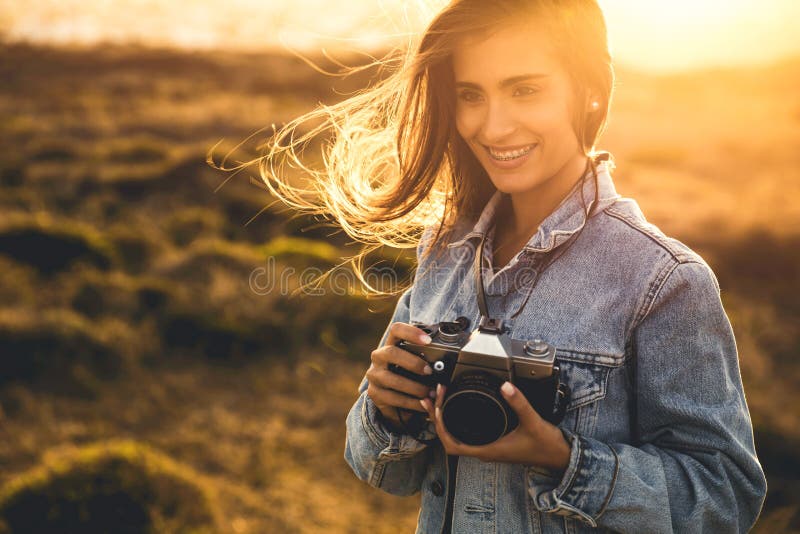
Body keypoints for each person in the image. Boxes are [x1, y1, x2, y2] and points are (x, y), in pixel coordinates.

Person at [257, 1, 767, 531]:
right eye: (470, 95)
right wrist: (387, 412)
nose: (494, 127)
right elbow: (386, 474)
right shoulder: (444, 250)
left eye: (524, 90)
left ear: (590, 91)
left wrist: (563, 459)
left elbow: (725, 498)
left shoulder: (662, 280)